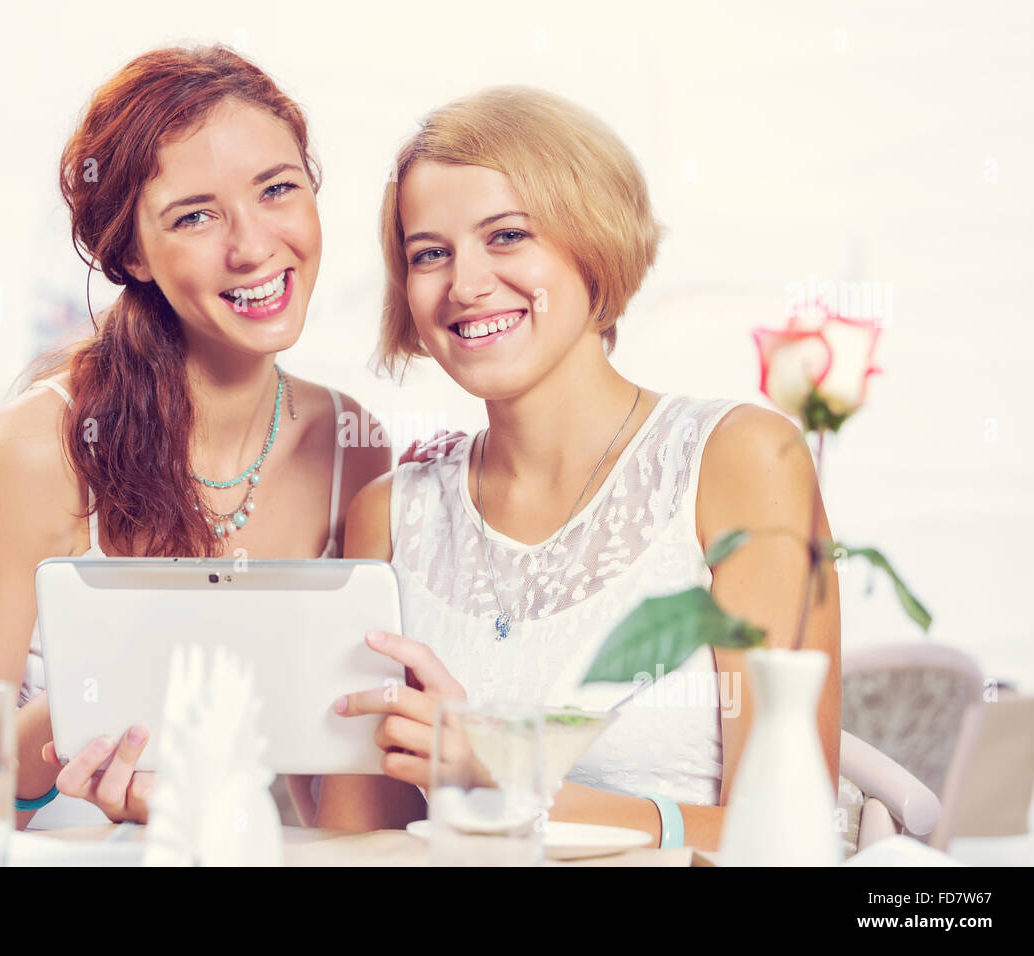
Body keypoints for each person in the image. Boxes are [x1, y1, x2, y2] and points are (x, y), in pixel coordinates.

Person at [0, 45, 456, 829]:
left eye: (277, 190)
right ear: (133, 252)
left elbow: (331, 794)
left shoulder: (350, 446)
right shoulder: (42, 445)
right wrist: (88, 715)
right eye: (196, 216)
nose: (252, 245)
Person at [315, 87, 842, 852]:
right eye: (430, 253)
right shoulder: (388, 514)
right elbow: (356, 844)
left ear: (591, 243)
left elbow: (793, 836)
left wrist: (505, 774)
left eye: (506, 236)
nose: (464, 284)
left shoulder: (739, 461)